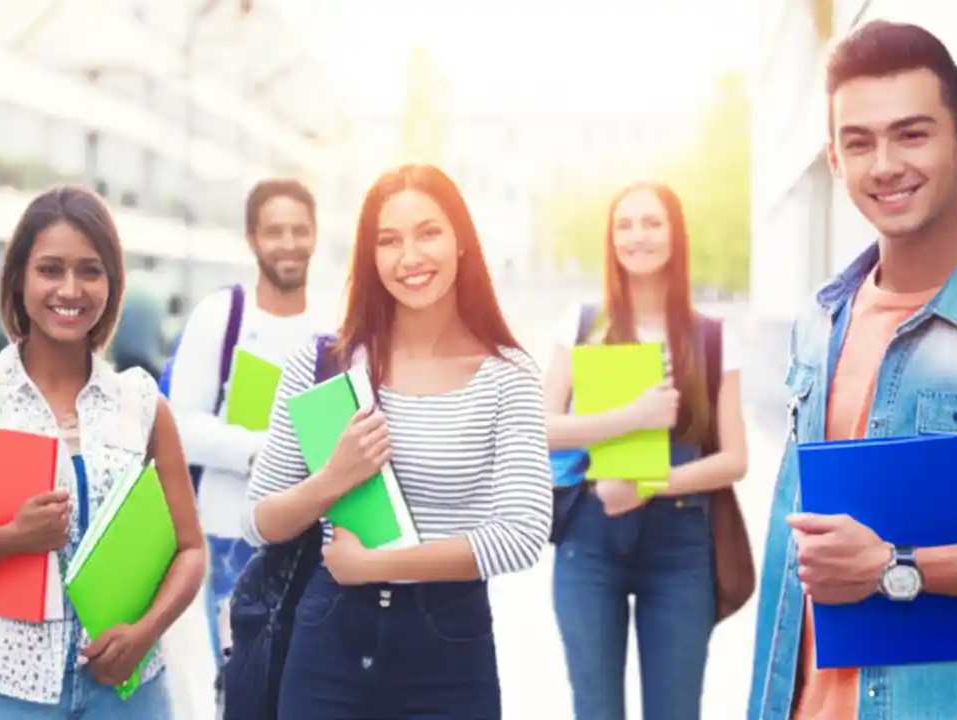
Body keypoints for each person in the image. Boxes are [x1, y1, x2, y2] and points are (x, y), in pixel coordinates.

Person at [243, 163, 552, 718]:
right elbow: (258, 521)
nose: (410, 257)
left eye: (428, 232)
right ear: (370, 256)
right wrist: (332, 480)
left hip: (448, 648)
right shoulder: (323, 365)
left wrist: (376, 566)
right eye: (388, 240)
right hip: (328, 640)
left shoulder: (507, 376)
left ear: (461, 241)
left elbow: (521, 535)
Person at [0, 186, 206, 718]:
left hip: (129, 690)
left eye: (90, 271)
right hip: (9, 692)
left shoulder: (141, 402)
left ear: (113, 283)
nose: (70, 289)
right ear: (19, 278)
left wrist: (144, 634)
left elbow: (190, 550)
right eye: (50, 269)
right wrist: (12, 538)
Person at [747, 21, 957, 720]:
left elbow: (863, 565)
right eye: (858, 142)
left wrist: (894, 567)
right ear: (833, 159)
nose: (884, 165)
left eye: (911, 135)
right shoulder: (819, 322)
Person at [544, 180, 749, 719]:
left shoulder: (712, 336)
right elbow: (540, 428)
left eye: (652, 222)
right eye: (625, 225)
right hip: (589, 540)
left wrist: (651, 485)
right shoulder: (583, 323)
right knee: (595, 710)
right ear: (610, 239)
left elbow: (735, 459)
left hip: (680, 545)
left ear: (676, 234)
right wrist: (632, 418)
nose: (638, 236)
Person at [168, 178, 328, 658]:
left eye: (300, 230)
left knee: (308, 683)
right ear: (252, 238)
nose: (289, 243)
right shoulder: (222, 315)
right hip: (232, 536)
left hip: (316, 538)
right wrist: (265, 453)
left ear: (315, 235)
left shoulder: (333, 326)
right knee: (240, 681)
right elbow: (180, 426)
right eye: (275, 231)